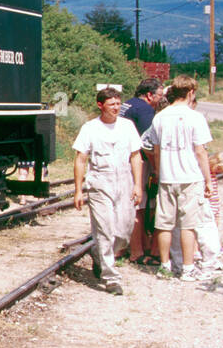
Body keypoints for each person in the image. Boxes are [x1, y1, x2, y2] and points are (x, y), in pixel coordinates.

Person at [73, 87, 143, 295]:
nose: (116, 108)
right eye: (111, 104)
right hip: (99, 182)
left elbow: (135, 157)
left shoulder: (127, 126)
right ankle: (111, 277)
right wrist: (78, 190)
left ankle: (98, 254)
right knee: (104, 230)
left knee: (123, 231)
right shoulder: (90, 128)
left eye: (118, 104)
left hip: (124, 180)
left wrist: (138, 185)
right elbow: (80, 159)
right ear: (100, 105)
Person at [145, 75, 213, 281]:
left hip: (166, 177)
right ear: (191, 92)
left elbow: (155, 151)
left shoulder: (160, 117)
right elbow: (200, 152)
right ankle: (187, 268)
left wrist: (157, 172)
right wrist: (208, 180)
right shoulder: (195, 117)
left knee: (164, 223)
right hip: (190, 177)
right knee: (188, 225)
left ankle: (165, 265)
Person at [120, 78, 162, 263]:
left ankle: (133, 246)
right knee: (139, 206)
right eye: (159, 95)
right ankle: (137, 250)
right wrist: (156, 168)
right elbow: (148, 142)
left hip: (122, 158)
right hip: (136, 161)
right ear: (149, 95)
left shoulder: (127, 104)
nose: (160, 99)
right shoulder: (145, 110)